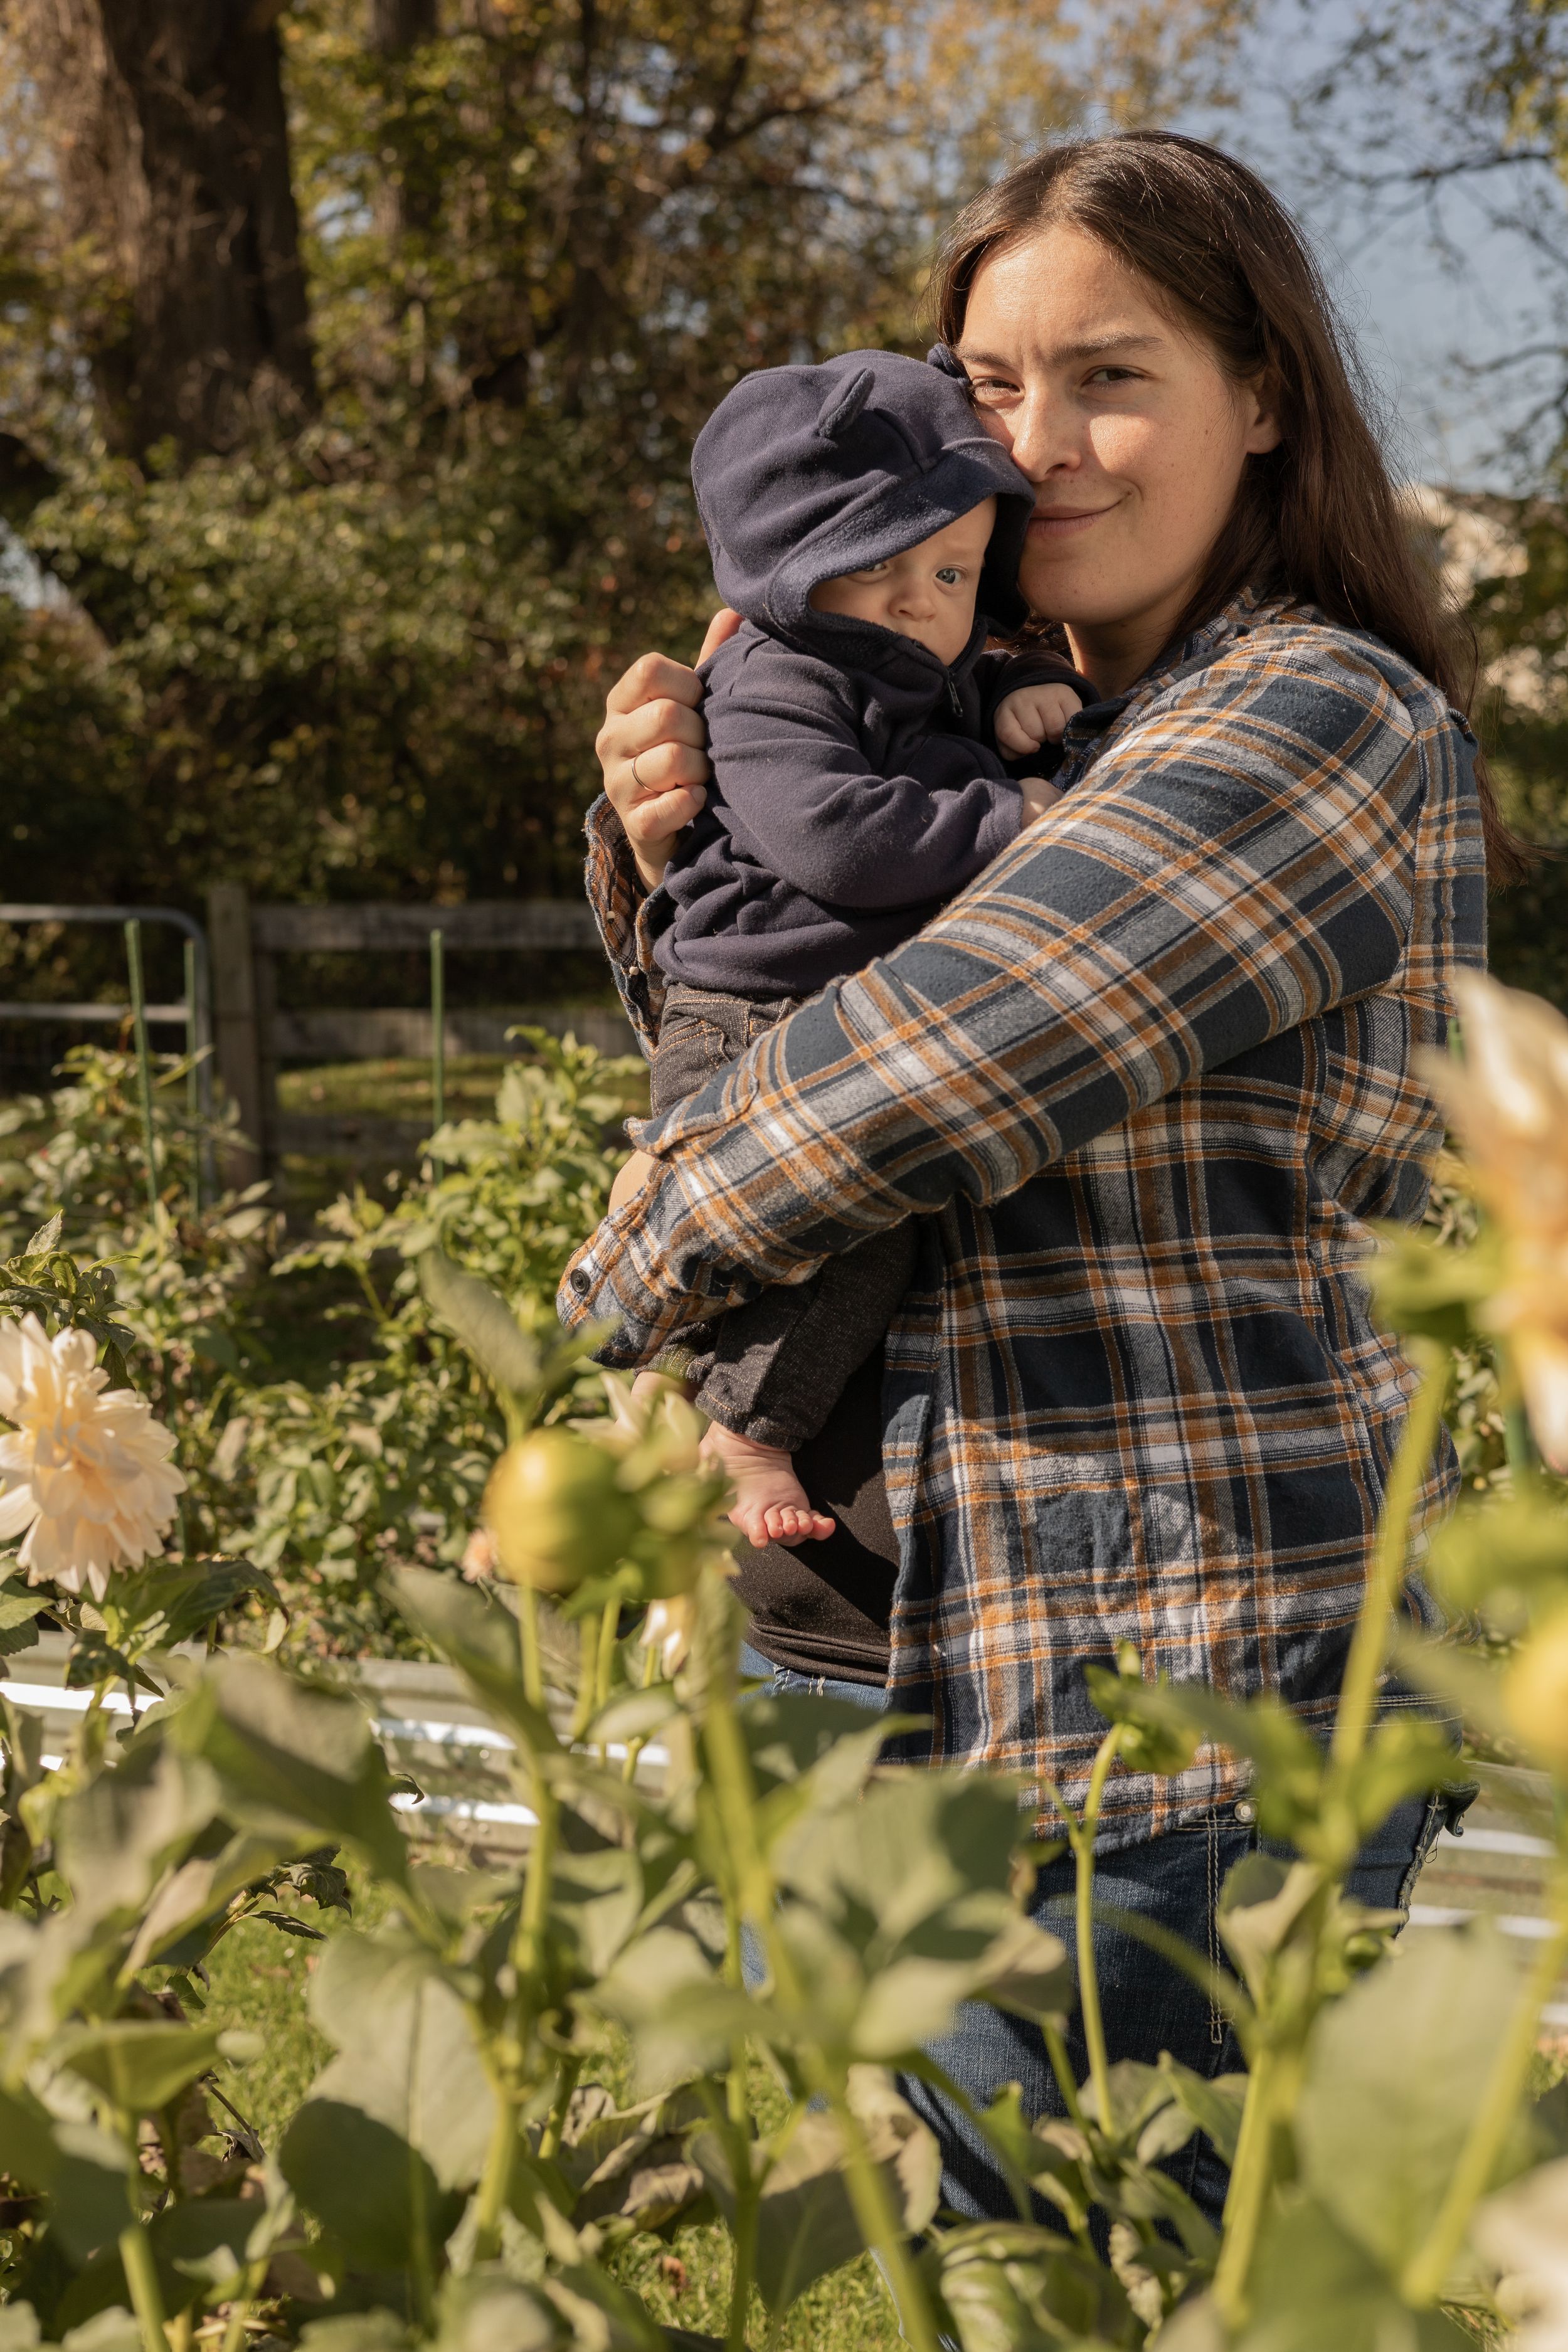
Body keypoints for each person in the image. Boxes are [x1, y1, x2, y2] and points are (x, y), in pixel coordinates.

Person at [558, 130, 1520, 2227]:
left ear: (1262, 400)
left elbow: (888, 1095)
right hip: (870, 1654)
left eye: (1114, 376)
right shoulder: (967, 721)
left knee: (1083, 2282)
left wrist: (617, 1278)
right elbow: (763, 1019)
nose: (1042, 445)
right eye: (988, 385)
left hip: (1159, 1716)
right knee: (865, 2259)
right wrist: (677, 867)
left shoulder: (1307, 721)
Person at [611, 345, 1088, 1551]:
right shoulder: (772, 676)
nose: (923, 600)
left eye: (953, 569)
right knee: (853, 1216)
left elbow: (951, 701)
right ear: (789, 566)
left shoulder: (915, 661)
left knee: (843, 1215)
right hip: (752, 1008)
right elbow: (843, 844)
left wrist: (1018, 686)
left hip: (812, 992)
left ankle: (707, 1399)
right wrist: (1008, 811)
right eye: (874, 567)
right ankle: (746, 1427)